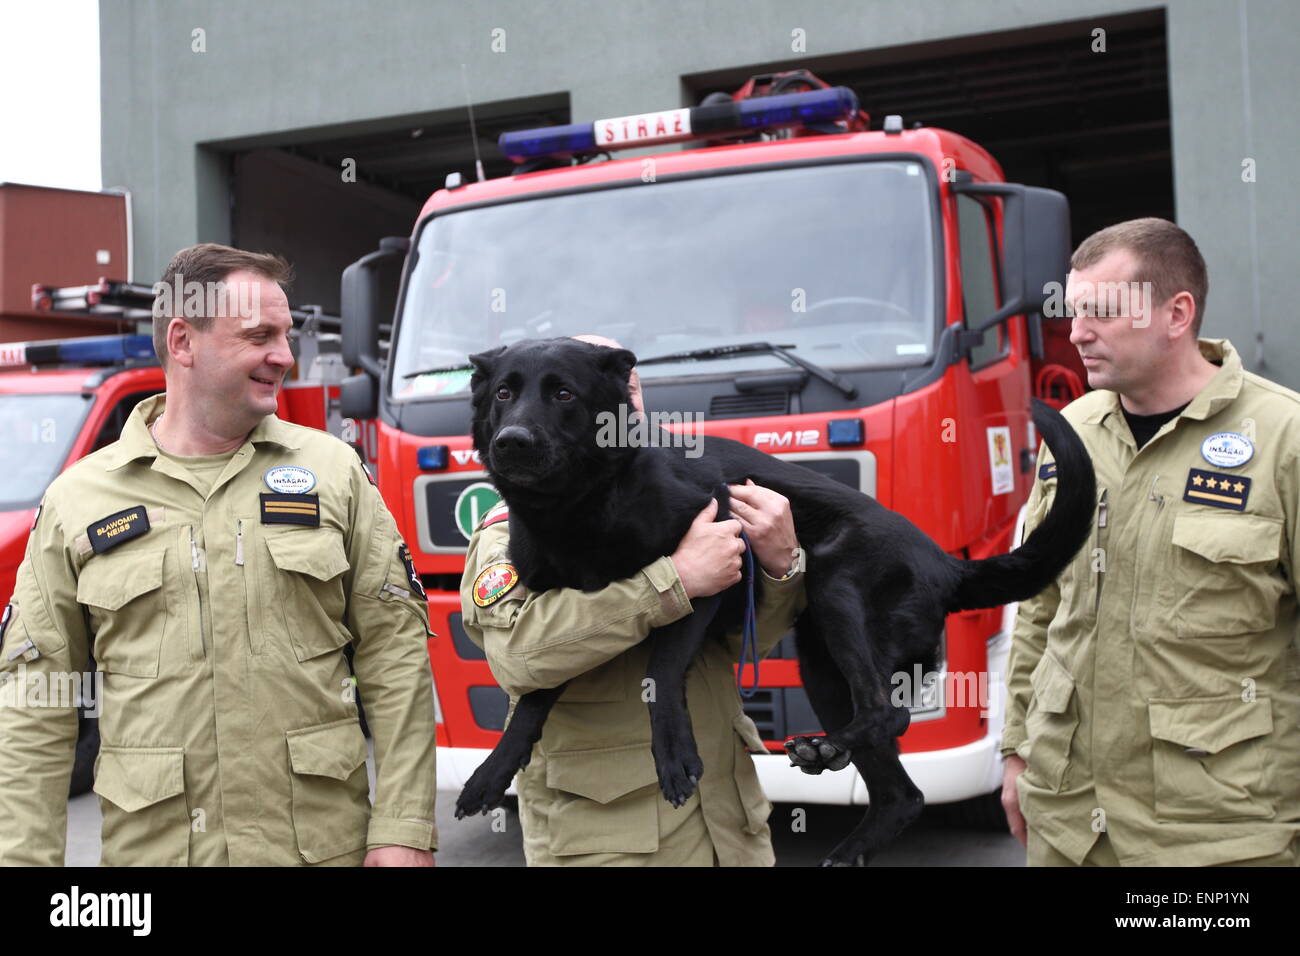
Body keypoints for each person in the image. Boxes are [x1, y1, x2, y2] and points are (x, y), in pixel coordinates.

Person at [0, 243, 438, 866]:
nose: (285, 356)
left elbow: (395, 657)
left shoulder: (333, 473)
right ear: (183, 341)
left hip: (316, 852)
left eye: (287, 336)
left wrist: (404, 826)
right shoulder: (77, 502)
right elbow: (33, 707)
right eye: (260, 335)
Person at [1001, 218, 1300, 866]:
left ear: (1177, 313)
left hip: (1216, 835)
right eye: (1075, 312)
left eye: (1101, 313)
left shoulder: (1283, 440)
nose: (1077, 332)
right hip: (1069, 822)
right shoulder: (1069, 433)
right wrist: (1016, 751)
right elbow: (1038, 607)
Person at [460, 334, 807, 865]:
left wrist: (782, 564)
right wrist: (674, 582)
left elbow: (744, 644)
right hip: (609, 843)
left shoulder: (677, 509)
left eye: (632, 388)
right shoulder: (514, 528)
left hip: (727, 829)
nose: (627, 403)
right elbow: (521, 658)